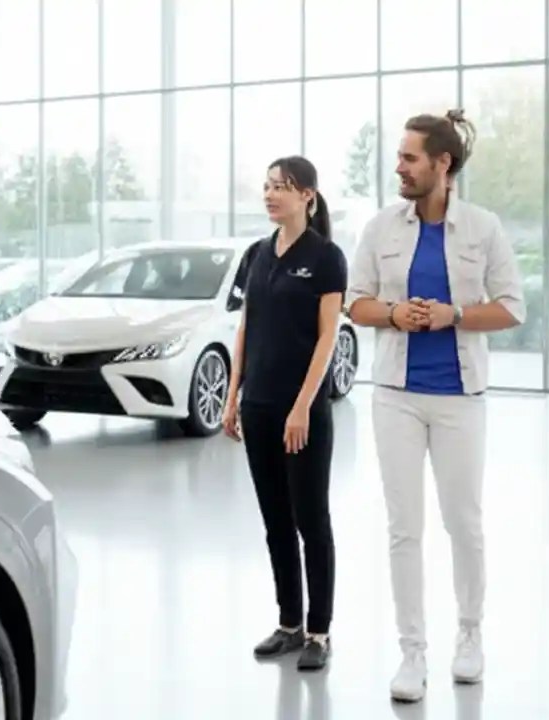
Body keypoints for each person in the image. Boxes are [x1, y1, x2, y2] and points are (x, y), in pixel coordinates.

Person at [345, 109, 524, 702]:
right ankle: (411, 652)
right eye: (399, 156)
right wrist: (395, 314)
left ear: (442, 165)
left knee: (463, 524)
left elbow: (512, 307)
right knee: (404, 528)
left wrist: (455, 316)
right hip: (395, 396)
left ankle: (470, 636)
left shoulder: (483, 228)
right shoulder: (380, 228)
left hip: (460, 398)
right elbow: (356, 302)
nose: (399, 166)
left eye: (409, 157)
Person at [221, 155, 347, 672]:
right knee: (275, 523)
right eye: (268, 185)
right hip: (259, 406)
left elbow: (327, 337)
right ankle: (289, 623)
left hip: (303, 413)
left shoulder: (326, 258)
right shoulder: (255, 255)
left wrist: (302, 408)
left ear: (308, 197)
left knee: (310, 521)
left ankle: (319, 632)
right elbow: (246, 329)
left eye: (283, 187)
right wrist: (232, 398)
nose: (271, 195)